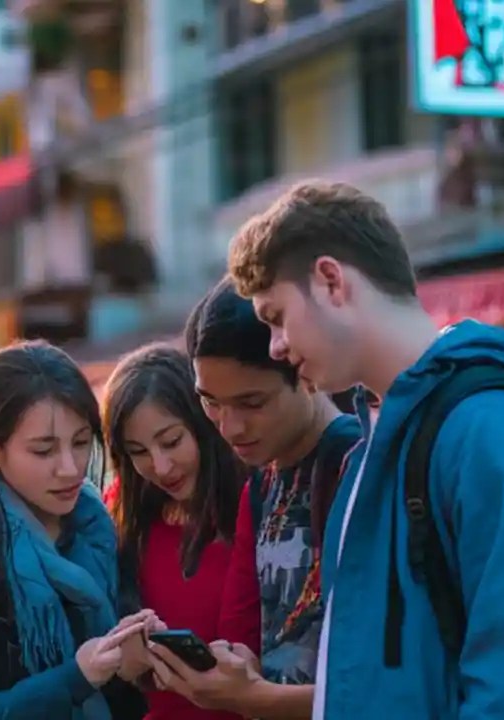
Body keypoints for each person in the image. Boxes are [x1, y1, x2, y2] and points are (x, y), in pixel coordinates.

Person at [225, 180, 504, 718]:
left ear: (330, 280)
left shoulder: (496, 428)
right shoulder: (374, 445)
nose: (277, 347)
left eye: (277, 316)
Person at [0, 340, 155, 719]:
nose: (70, 468)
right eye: (43, 450)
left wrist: (137, 665)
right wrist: (75, 678)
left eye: (81, 443)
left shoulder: (99, 535)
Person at [147, 278, 363, 719]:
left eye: (251, 402)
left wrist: (253, 698)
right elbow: (241, 636)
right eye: (212, 404)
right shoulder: (261, 489)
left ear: (304, 370)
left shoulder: (360, 467)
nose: (230, 428)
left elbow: (383, 687)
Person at [103, 342, 248, 719]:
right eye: (138, 452)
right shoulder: (121, 516)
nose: (161, 466)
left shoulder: (256, 503)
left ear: (204, 424)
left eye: (171, 442)